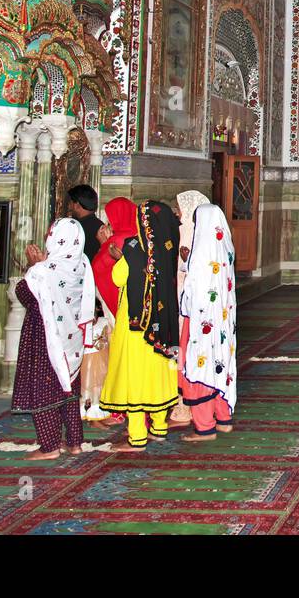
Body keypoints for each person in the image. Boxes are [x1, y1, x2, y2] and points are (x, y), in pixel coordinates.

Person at [99, 200, 182, 452]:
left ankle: (136, 436)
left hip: (136, 326)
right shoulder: (169, 249)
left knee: (134, 375)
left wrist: (119, 258)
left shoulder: (134, 247)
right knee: (158, 372)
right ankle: (159, 427)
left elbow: (117, 279)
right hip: (163, 324)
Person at [10, 218, 95, 460]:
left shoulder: (41, 271)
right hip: (72, 337)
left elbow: (24, 295)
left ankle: (49, 447)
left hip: (45, 337)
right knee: (69, 387)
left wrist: (34, 266)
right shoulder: (82, 263)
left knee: (45, 387)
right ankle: (75, 442)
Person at [178, 203, 238, 441]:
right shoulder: (225, 246)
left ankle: (204, 427)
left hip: (201, 322)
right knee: (220, 365)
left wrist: (187, 260)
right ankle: (223, 419)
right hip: (223, 322)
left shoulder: (201, 250)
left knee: (198, 366)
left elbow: (195, 286)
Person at [84, 197, 138, 426]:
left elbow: (98, 268)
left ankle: (120, 408)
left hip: (119, 307)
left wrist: (102, 243)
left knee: (118, 358)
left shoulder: (119, 238)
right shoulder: (137, 236)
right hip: (131, 306)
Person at [167, 190, 212, 429]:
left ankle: (183, 408)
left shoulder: (187, 231)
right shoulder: (204, 231)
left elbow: (186, 267)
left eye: (180, 206)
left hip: (186, 302)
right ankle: (199, 406)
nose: (177, 211)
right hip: (199, 305)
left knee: (184, 354)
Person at [67, 184, 103, 261]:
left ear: (77, 206)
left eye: (70, 203)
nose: (69, 207)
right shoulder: (101, 226)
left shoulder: (73, 228)